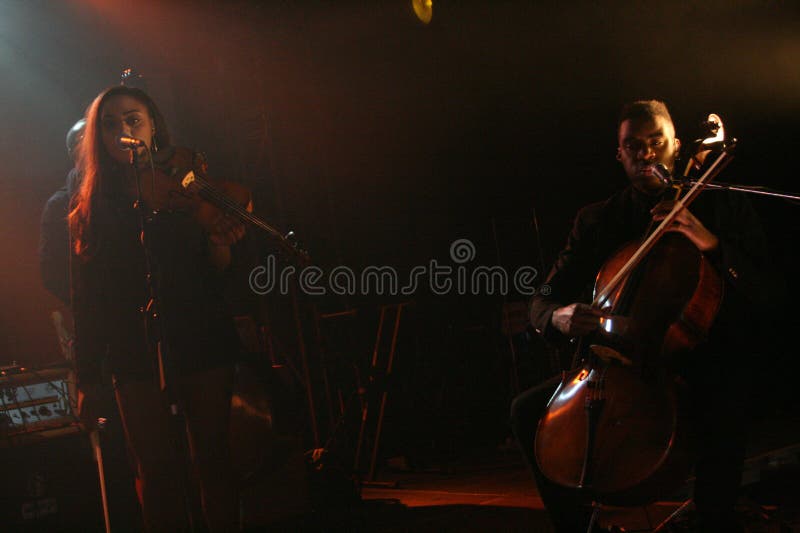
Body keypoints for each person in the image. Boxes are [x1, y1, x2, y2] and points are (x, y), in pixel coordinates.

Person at [511, 100, 769, 532]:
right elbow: (542, 298)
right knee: (526, 412)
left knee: (726, 400)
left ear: (675, 147)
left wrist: (713, 245)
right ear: (620, 155)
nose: (645, 154)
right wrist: (557, 316)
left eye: (656, 142)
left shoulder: (721, 208)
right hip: (611, 365)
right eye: (633, 146)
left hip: (697, 364)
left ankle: (714, 519)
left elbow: (768, 289)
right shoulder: (597, 220)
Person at [69, 85, 245, 531]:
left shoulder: (186, 187)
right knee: (155, 469)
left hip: (201, 332)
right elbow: (87, 301)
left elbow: (218, 269)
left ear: (153, 126)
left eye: (133, 120)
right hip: (135, 350)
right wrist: (87, 376)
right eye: (110, 125)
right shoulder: (90, 208)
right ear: (98, 138)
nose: (123, 131)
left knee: (214, 458)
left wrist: (221, 244)